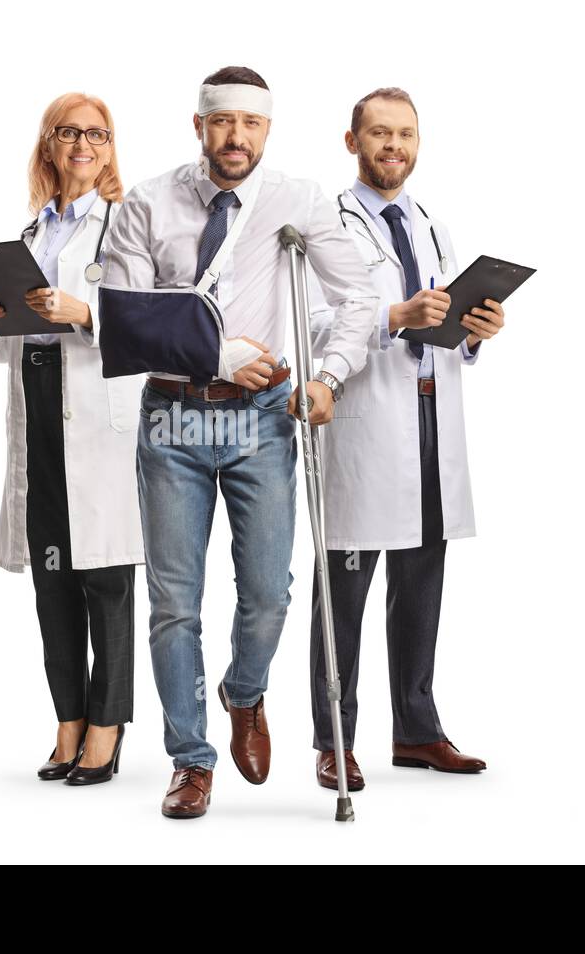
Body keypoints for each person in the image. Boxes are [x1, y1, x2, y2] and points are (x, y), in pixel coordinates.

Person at [100, 66, 378, 818]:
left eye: (250, 124)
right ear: (199, 126)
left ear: (267, 129)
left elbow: (359, 295)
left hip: (261, 419)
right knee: (174, 604)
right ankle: (191, 759)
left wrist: (329, 375)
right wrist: (214, 353)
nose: (236, 137)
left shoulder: (298, 201)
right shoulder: (147, 204)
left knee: (267, 593)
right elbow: (124, 322)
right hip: (173, 417)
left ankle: (243, 691)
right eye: (222, 122)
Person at [306, 87, 507, 792]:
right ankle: (335, 740)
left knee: (421, 583)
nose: (394, 147)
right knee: (347, 595)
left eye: (406, 135)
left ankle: (417, 731)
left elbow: (442, 326)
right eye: (381, 134)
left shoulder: (430, 225)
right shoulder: (322, 228)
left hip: (428, 416)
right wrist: (394, 315)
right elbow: (309, 327)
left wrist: (473, 334)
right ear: (352, 141)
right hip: (362, 425)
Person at [0, 92, 143, 786]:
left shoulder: (125, 226)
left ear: (109, 145)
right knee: (54, 575)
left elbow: (154, 323)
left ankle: (107, 725)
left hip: (99, 415)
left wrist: (86, 311)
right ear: (48, 144)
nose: (82, 144)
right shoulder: (34, 229)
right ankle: (67, 719)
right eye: (68, 132)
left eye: (96, 133)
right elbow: (16, 335)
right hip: (38, 398)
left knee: (105, 579)